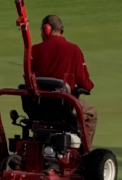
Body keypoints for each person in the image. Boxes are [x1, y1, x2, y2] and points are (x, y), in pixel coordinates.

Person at [30, 14, 98, 144]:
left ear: (46, 29)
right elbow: (84, 82)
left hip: (39, 106)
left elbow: (29, 78)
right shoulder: (74, 50)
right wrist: (89, 86)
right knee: (92, 113)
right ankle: (85, 151)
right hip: (63, 105)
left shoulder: (34, 50)